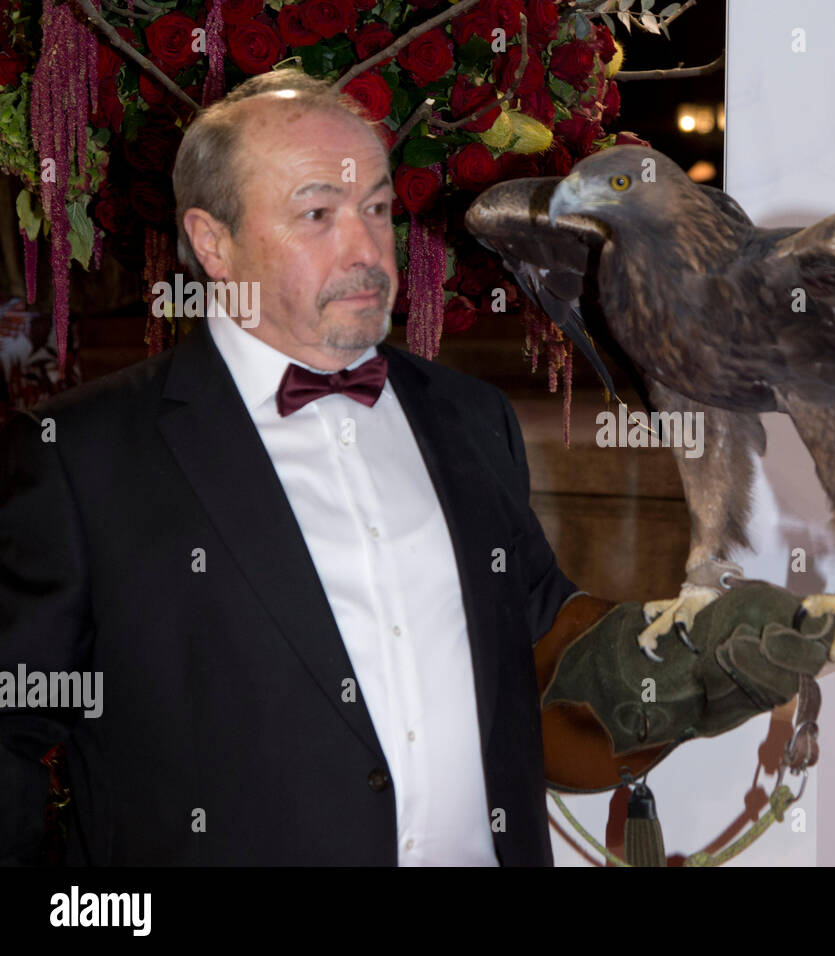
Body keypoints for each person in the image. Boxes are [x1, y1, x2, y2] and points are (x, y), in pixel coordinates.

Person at [0, 69, 579, 866]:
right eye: (317, 214)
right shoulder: (81, 455)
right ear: (213, 242)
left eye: (376, 209)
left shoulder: (472, 418)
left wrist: (684, 645)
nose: (367, 250)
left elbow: (543, 630)